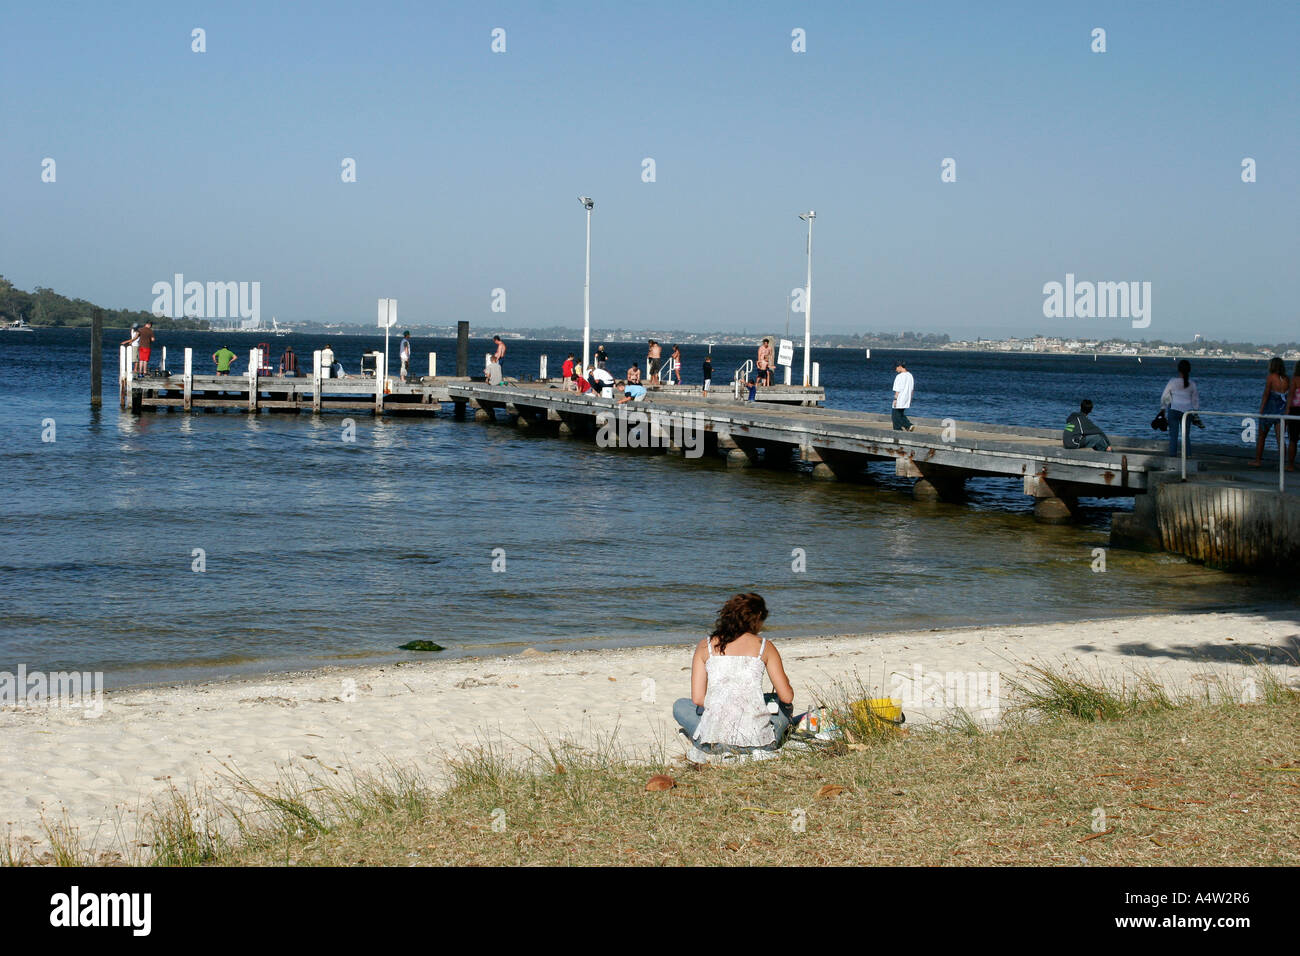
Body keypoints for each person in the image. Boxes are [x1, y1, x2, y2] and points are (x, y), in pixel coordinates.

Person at [672, 593, 795, 757]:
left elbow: (698, 699)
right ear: (757, 618)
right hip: (760, 743)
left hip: (714, 744)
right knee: (784, 707)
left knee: (680, 705)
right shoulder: (764, 646)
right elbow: (787, 697)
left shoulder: (705, 646)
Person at [1251, 357, 1290, 467]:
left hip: (1270, 408)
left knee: (1262, 435)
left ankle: (1258, 460)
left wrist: (1261, 409)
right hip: (1282, 409)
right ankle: (1282, 463)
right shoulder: (1287, 379)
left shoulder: (1271, 377)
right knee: (1280, 438)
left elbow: (1266, 394)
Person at [1160, 359, 1200, 458]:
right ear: (1189, 370)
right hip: (1187, 412)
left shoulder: (1172, 382)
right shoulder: (1192, 383)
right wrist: (1195, 413)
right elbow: (1195, 401)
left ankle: (1172, 455)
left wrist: (1163, 409)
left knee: (1173, 435)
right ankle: (1188, 455)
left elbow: (1164, 397)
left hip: (1174, 409)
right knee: (1186, 435)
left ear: (1179, 370)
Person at [891, 360, 915, 431]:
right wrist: (910, 400)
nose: (895, 369)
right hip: (907, 398)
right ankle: (908, 426)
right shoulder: (910, 375)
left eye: (896, 367)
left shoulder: (899, 376)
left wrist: (895, 399)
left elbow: (897, 390)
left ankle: (903, 427)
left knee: (895, 416)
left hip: (900, 398)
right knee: (900, 414)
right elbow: (912, 389)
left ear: (900, 366)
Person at [1286, 359, 1300, 473]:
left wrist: (1286, 411)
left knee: (1293, 439)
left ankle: (1291, 464)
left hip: (1295, 410)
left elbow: (1290, 396)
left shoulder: (1295, 380)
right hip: (1295, 410)